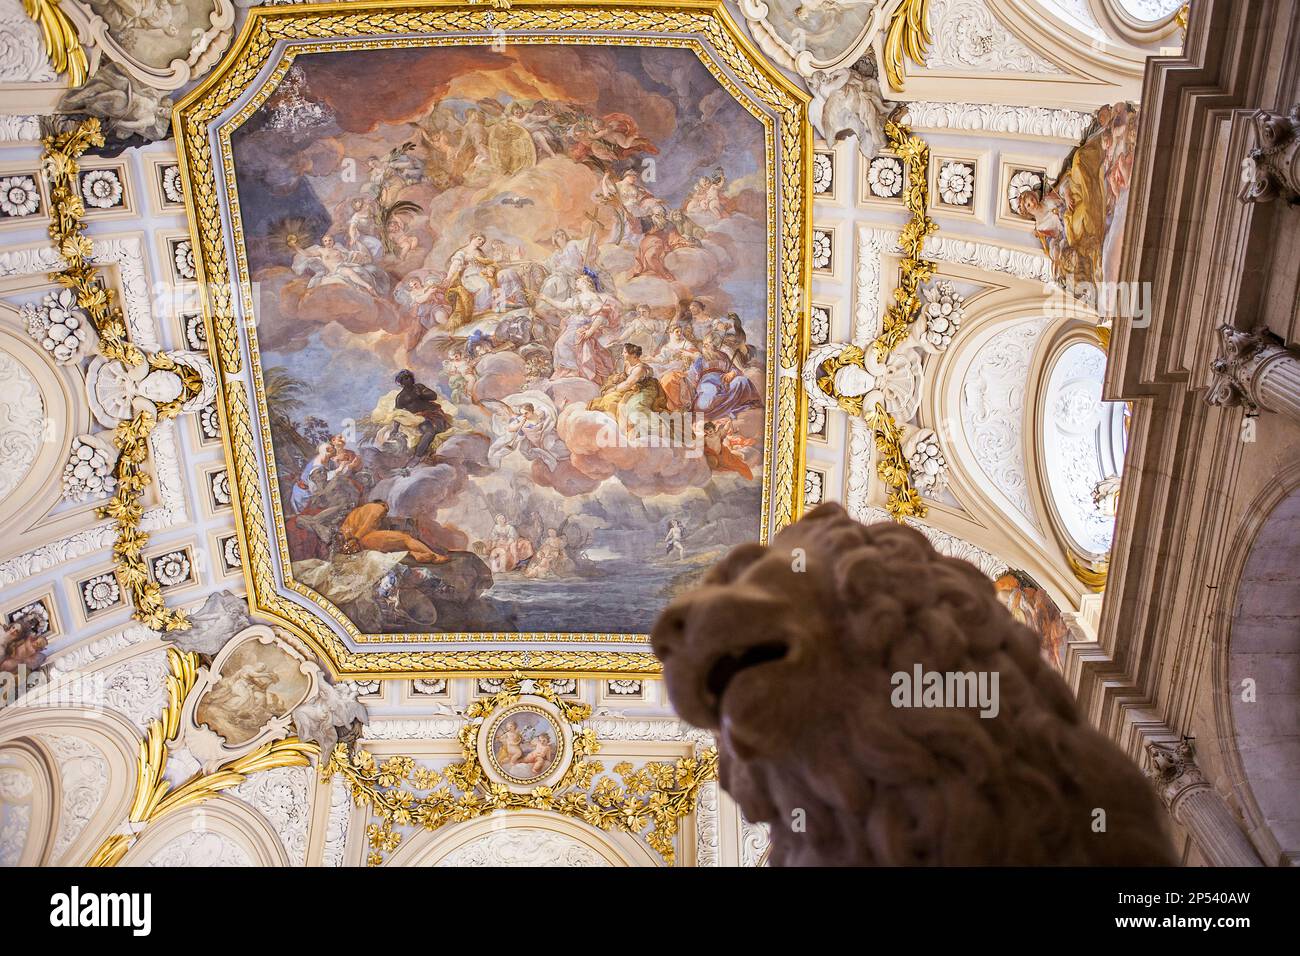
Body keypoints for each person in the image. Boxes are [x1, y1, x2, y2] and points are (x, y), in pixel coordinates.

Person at [543, 273, 619, 383]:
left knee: (562, 344)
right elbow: (561, 306)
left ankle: (573, 370)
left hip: (581, 326)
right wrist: (545, 298)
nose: (576, 283)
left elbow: (601, 315)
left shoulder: (593, 297)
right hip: (571, 326)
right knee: (559, 344)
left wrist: (591, 330)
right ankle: (566, 371)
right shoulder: (576, 298)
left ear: (586, 282)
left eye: (578, 281)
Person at [336, 500, 449, 564]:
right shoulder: (377, 507)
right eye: (386, 511)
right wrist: (355, 539)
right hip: (362, 539)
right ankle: (436, 556)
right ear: (383, 504)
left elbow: (344, 530)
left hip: (357, 544)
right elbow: (369, 523)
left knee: (394, 544)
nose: (385, 515)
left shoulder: (356, 512)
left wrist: (350, 541)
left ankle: (416, 554)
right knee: (405, 538)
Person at [393, 369, 452, 463]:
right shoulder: (401, 397)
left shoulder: (419, 387)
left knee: (442, 429)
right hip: (419, 418)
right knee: (429, 432)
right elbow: (397, 414)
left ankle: (433, 453)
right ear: (401, 382)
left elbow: (434, 396)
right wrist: (395, 429)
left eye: (409, 377)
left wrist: (422, 394)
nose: (409, 380)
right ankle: (417, 456)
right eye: (405, 378)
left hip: (432, 413)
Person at [291, 442, 335, 513]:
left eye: (332, 448)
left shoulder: (330, 462)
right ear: (321, 451)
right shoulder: (317, 466)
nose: (331, 450)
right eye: (328, 449)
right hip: (304, 495)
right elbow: (318, 486)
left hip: (316, 491)